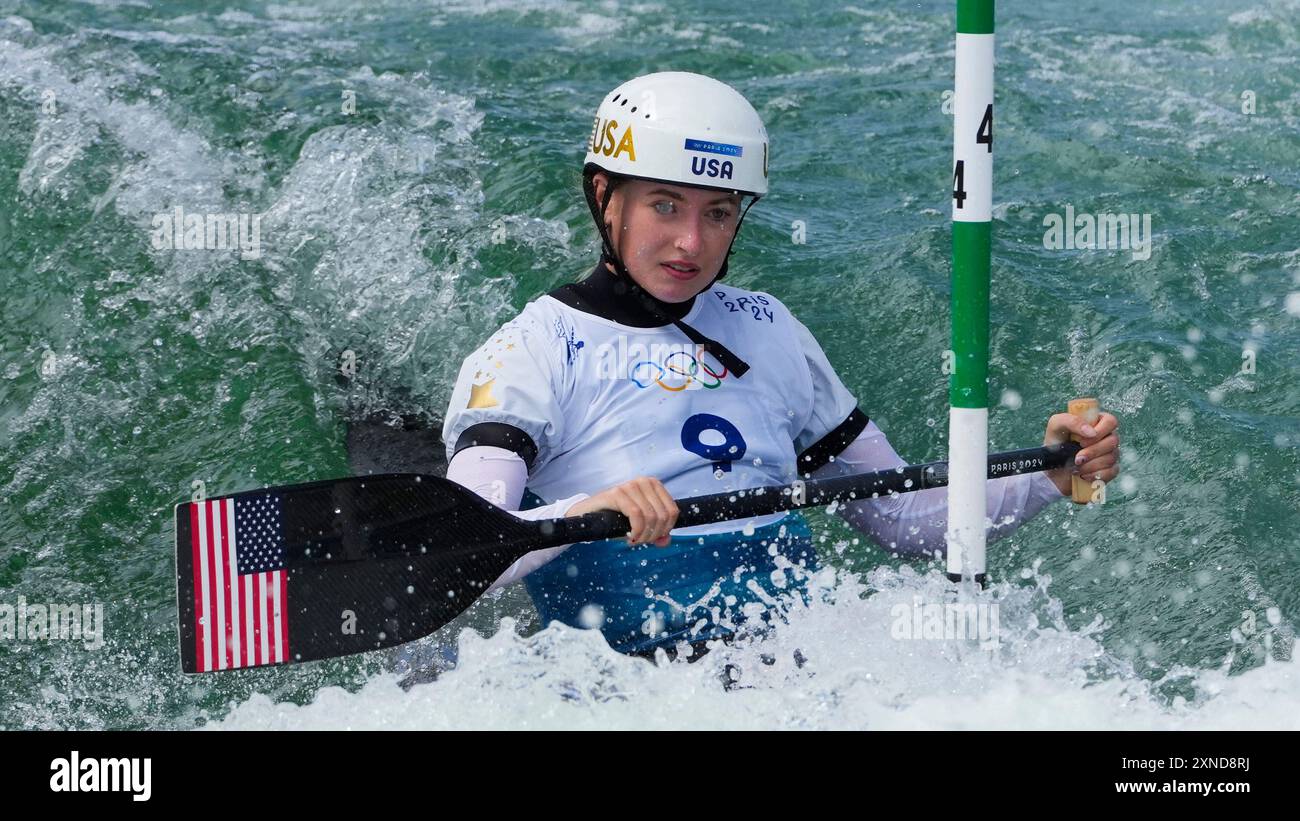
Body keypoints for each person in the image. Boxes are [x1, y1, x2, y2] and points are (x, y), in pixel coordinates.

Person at [441, 71, 1120, 662]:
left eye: (719, 213)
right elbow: (461, 549)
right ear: (604, 195)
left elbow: (905, 517)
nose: (691, 242)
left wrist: (1051, 474)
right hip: (632, 689)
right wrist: (591, 508)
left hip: (797, 669)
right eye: (665, 205)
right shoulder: (527, 352)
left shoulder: (769, 329)